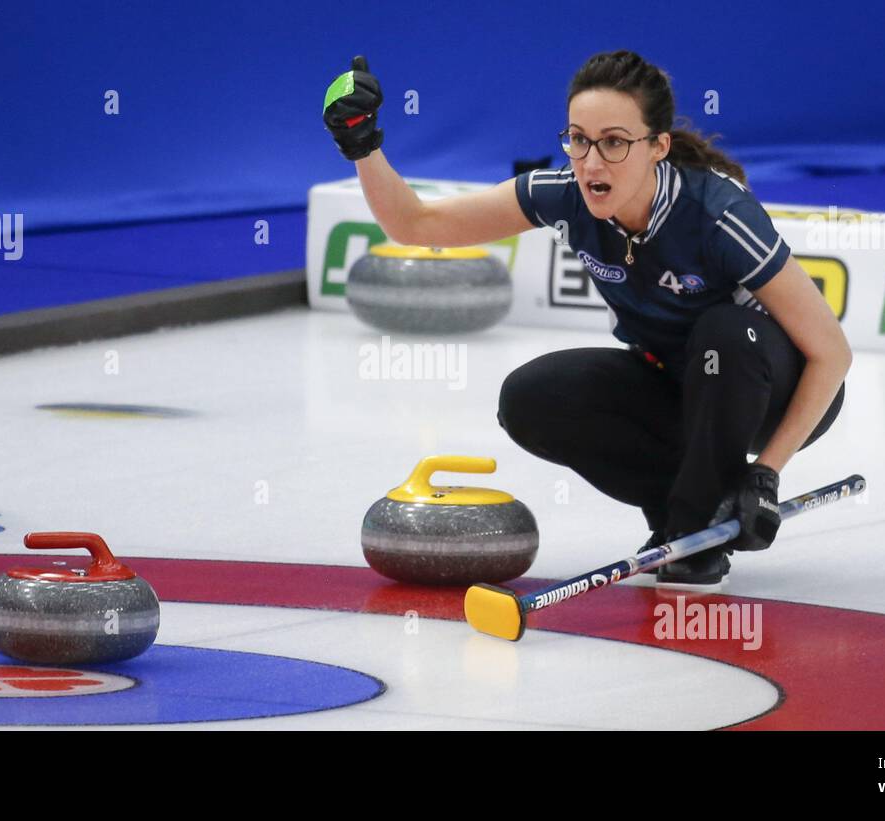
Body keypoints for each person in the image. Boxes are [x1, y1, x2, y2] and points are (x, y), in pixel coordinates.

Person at [323, 51, 850, 587]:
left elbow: (832, 353)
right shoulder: (564, 197)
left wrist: (765, 473)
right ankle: (685, 511)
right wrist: (363, 145)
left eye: (615, 142)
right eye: (579, 139)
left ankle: (694, 528)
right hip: (683, 386)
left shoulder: (717, 215)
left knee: (722, 333)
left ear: (657, 147)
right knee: (533, 396)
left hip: (774, 391)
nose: (592, 162)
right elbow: (416, 223)